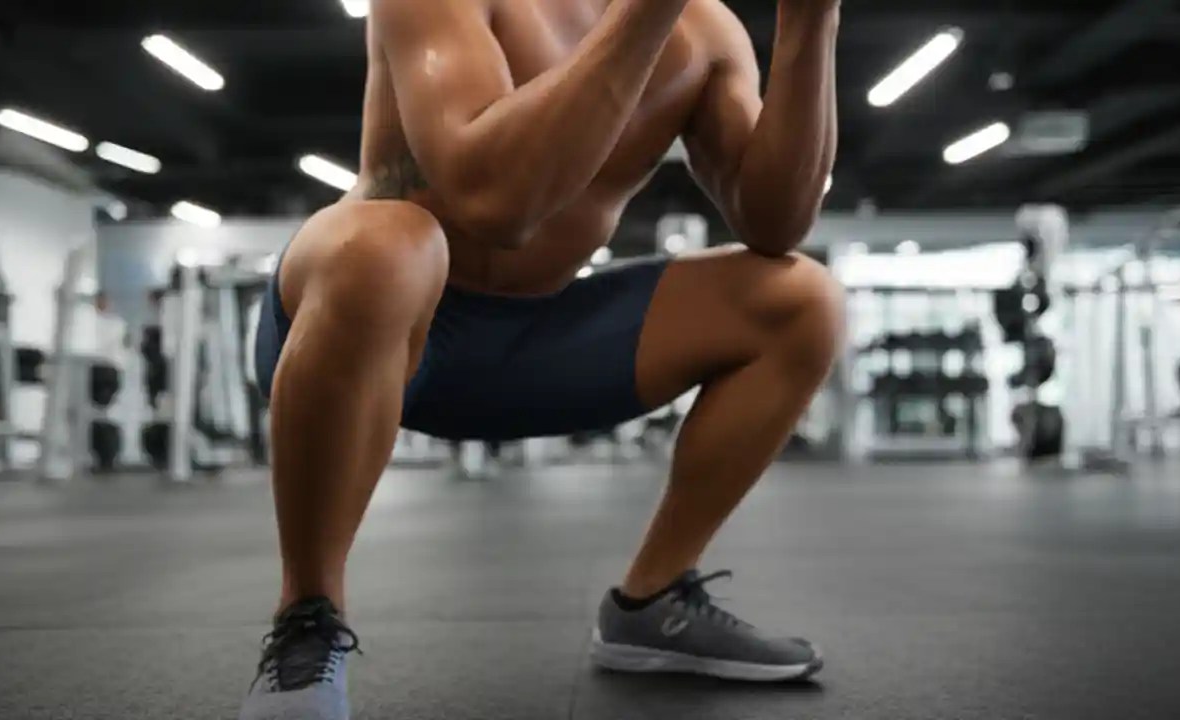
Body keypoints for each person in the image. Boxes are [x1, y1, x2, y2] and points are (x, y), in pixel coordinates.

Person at [242, 0, 842, 716]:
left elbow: (776, 221)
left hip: (536, 346)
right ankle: (306, 622)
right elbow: (495, 203)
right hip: (376, 331)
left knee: (800, 297)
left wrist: (811, 23)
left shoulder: (707, 34)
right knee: (385, 242)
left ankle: (651, 602)